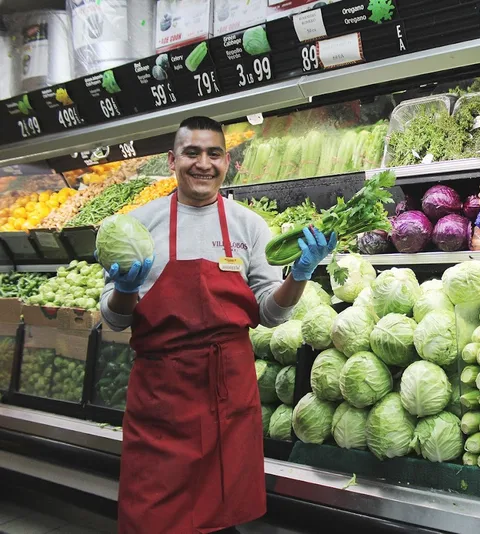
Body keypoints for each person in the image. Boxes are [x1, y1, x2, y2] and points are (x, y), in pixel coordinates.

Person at [99, 116, 335, 534]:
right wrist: (124, 289)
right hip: (162, 397)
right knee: (152, 515)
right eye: (191, 153)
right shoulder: (138, 226)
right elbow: (115, 320)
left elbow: (269, 313)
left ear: (227, 161)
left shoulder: (248, 225)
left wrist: (299, 275)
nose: (202, 164)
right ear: (172, 160)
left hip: (227, 391)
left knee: (224, 518)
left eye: (213, 154)